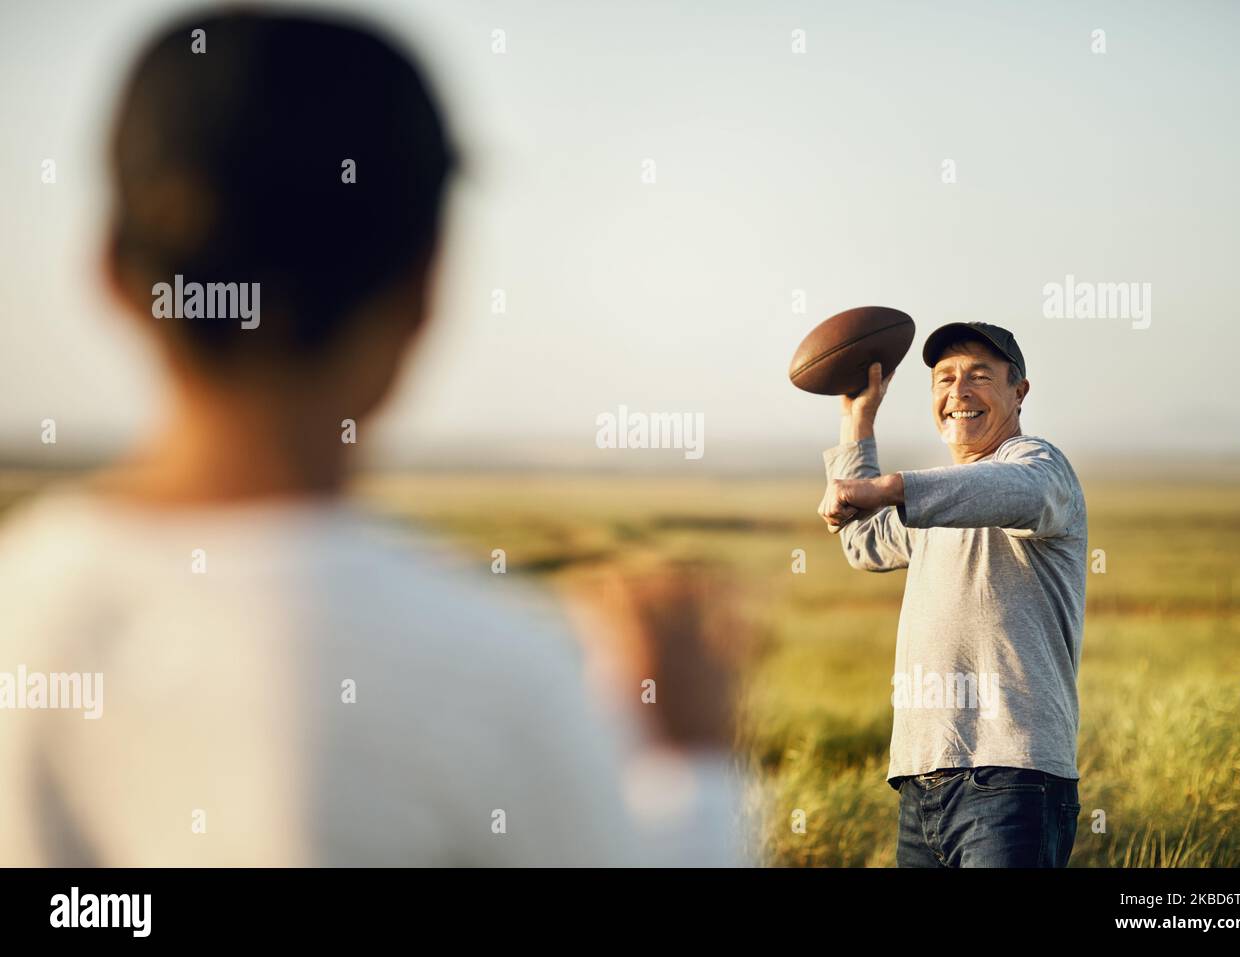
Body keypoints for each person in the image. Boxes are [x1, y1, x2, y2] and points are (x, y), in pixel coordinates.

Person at [0, 8, 743, 867]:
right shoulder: (502, 678)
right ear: (427, 288)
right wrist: (694, 776)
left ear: (110, 274)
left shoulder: (20, 608)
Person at [817, 322, 1087, 867]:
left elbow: (1018, 491)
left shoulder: (1040, 466)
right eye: (944, 378)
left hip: (1012, 777)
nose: (958, 393)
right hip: (922, 782)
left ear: (1020, 391)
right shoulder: (941, 501)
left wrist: (890, 487)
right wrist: (858, 420)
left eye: (979, 376)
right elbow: (865, 542)